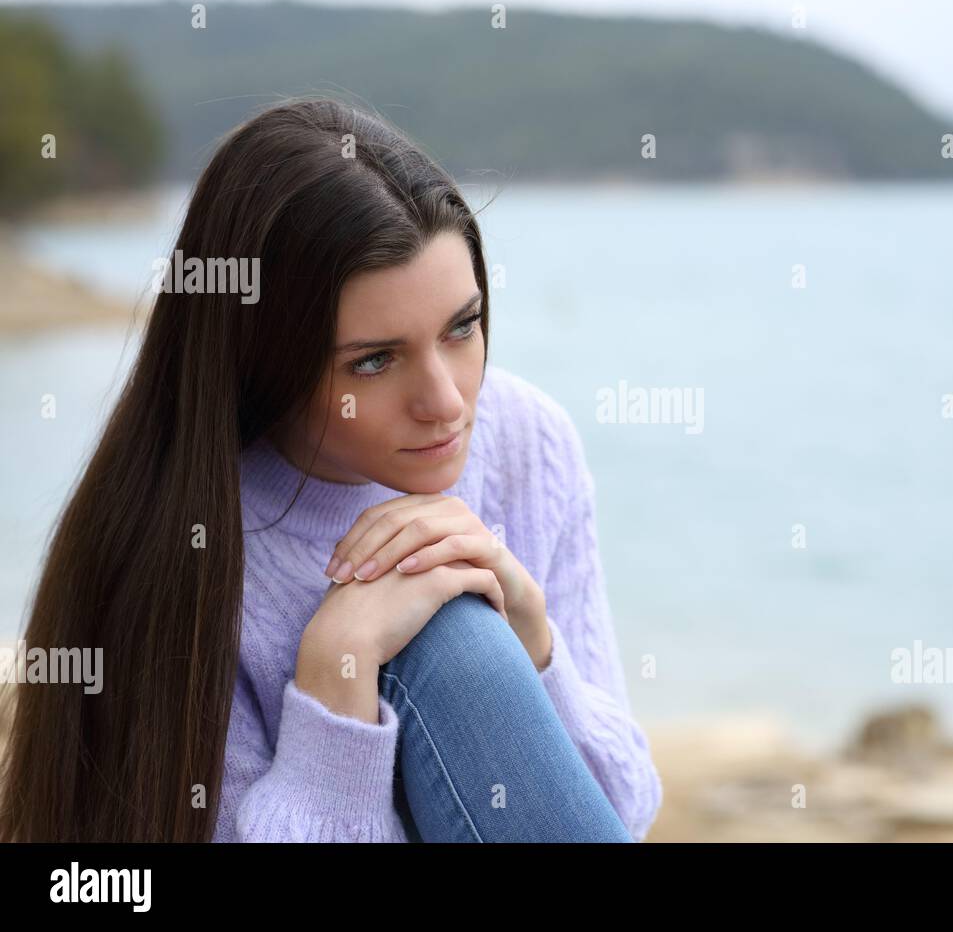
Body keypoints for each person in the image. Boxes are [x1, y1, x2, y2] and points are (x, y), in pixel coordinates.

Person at [0, 98, 662, 842]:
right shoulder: (179, 545)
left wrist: (534, 640)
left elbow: (623, 807)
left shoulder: (526, 443)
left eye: (462, 327)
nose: (447, 403)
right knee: (459, 644)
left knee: (477, 633)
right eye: (374, 361)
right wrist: (336, 673)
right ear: (262, 363)